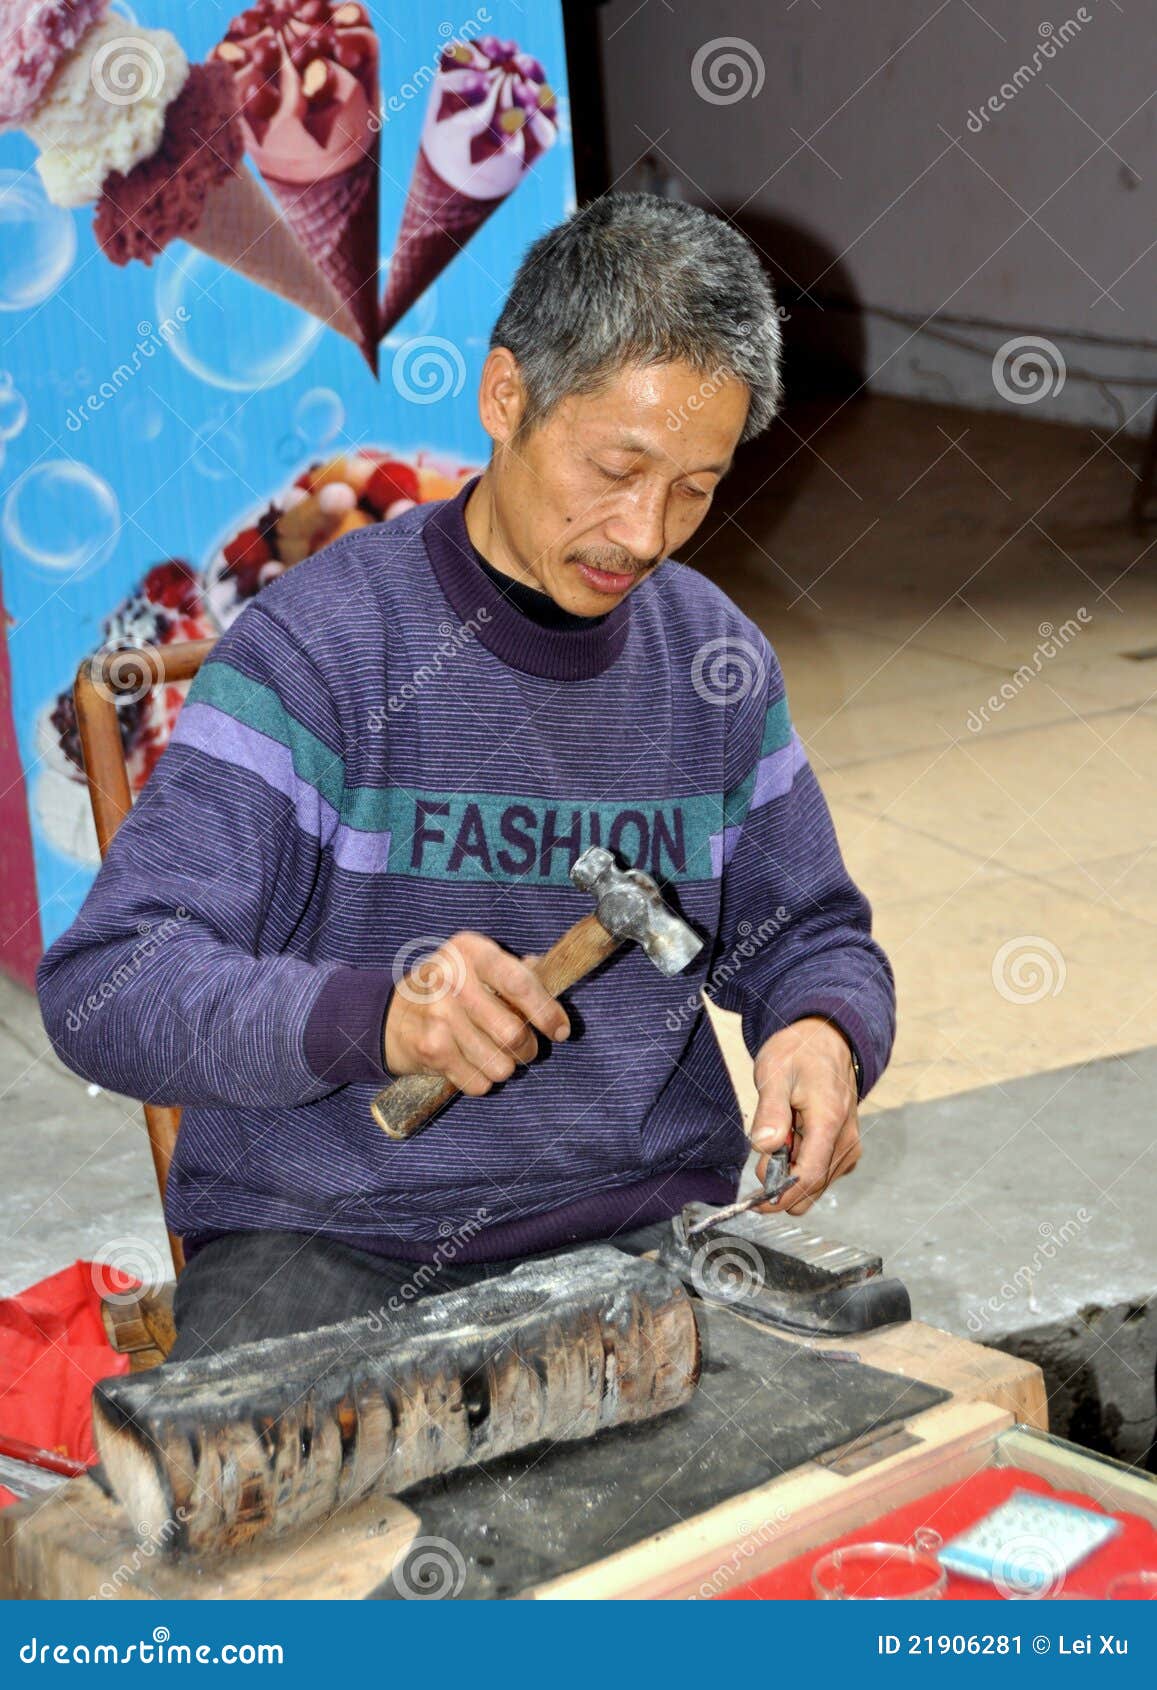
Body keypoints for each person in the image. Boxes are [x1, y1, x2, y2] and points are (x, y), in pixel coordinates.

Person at [38, 194, 895, 1362]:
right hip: (333, 1238)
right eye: (614, 466)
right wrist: (375, 1018)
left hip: (639, 1225)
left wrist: (816, 1032)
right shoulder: (319, 654)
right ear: (504, 398)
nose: (642, 532)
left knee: (824, 1490)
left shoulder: (712, 662)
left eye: (693, 488)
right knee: (295, 1523)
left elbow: (813, 933)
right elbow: (105, 990)